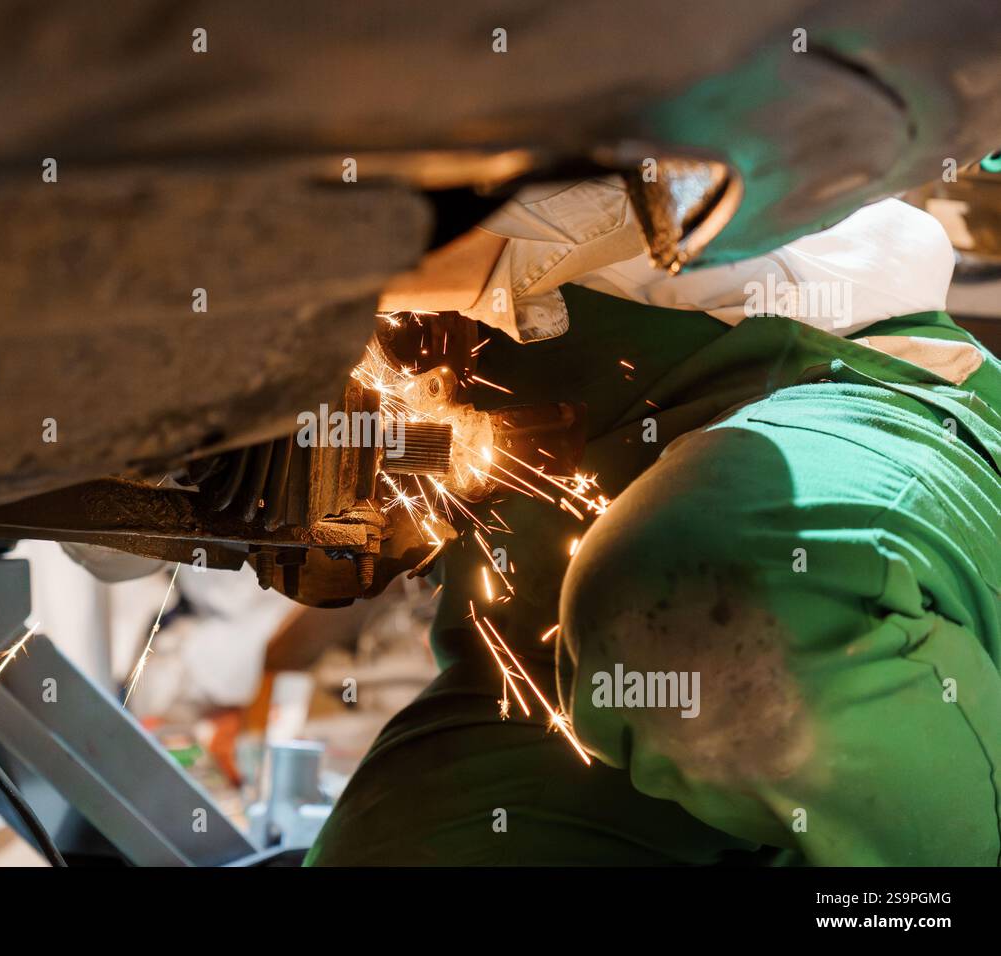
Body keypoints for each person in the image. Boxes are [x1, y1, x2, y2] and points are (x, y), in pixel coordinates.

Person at [307, 177, 1001, 866]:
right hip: (555, 643)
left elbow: (694, 168)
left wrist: (354, 258)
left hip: (837, 417)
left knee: (710, 617)